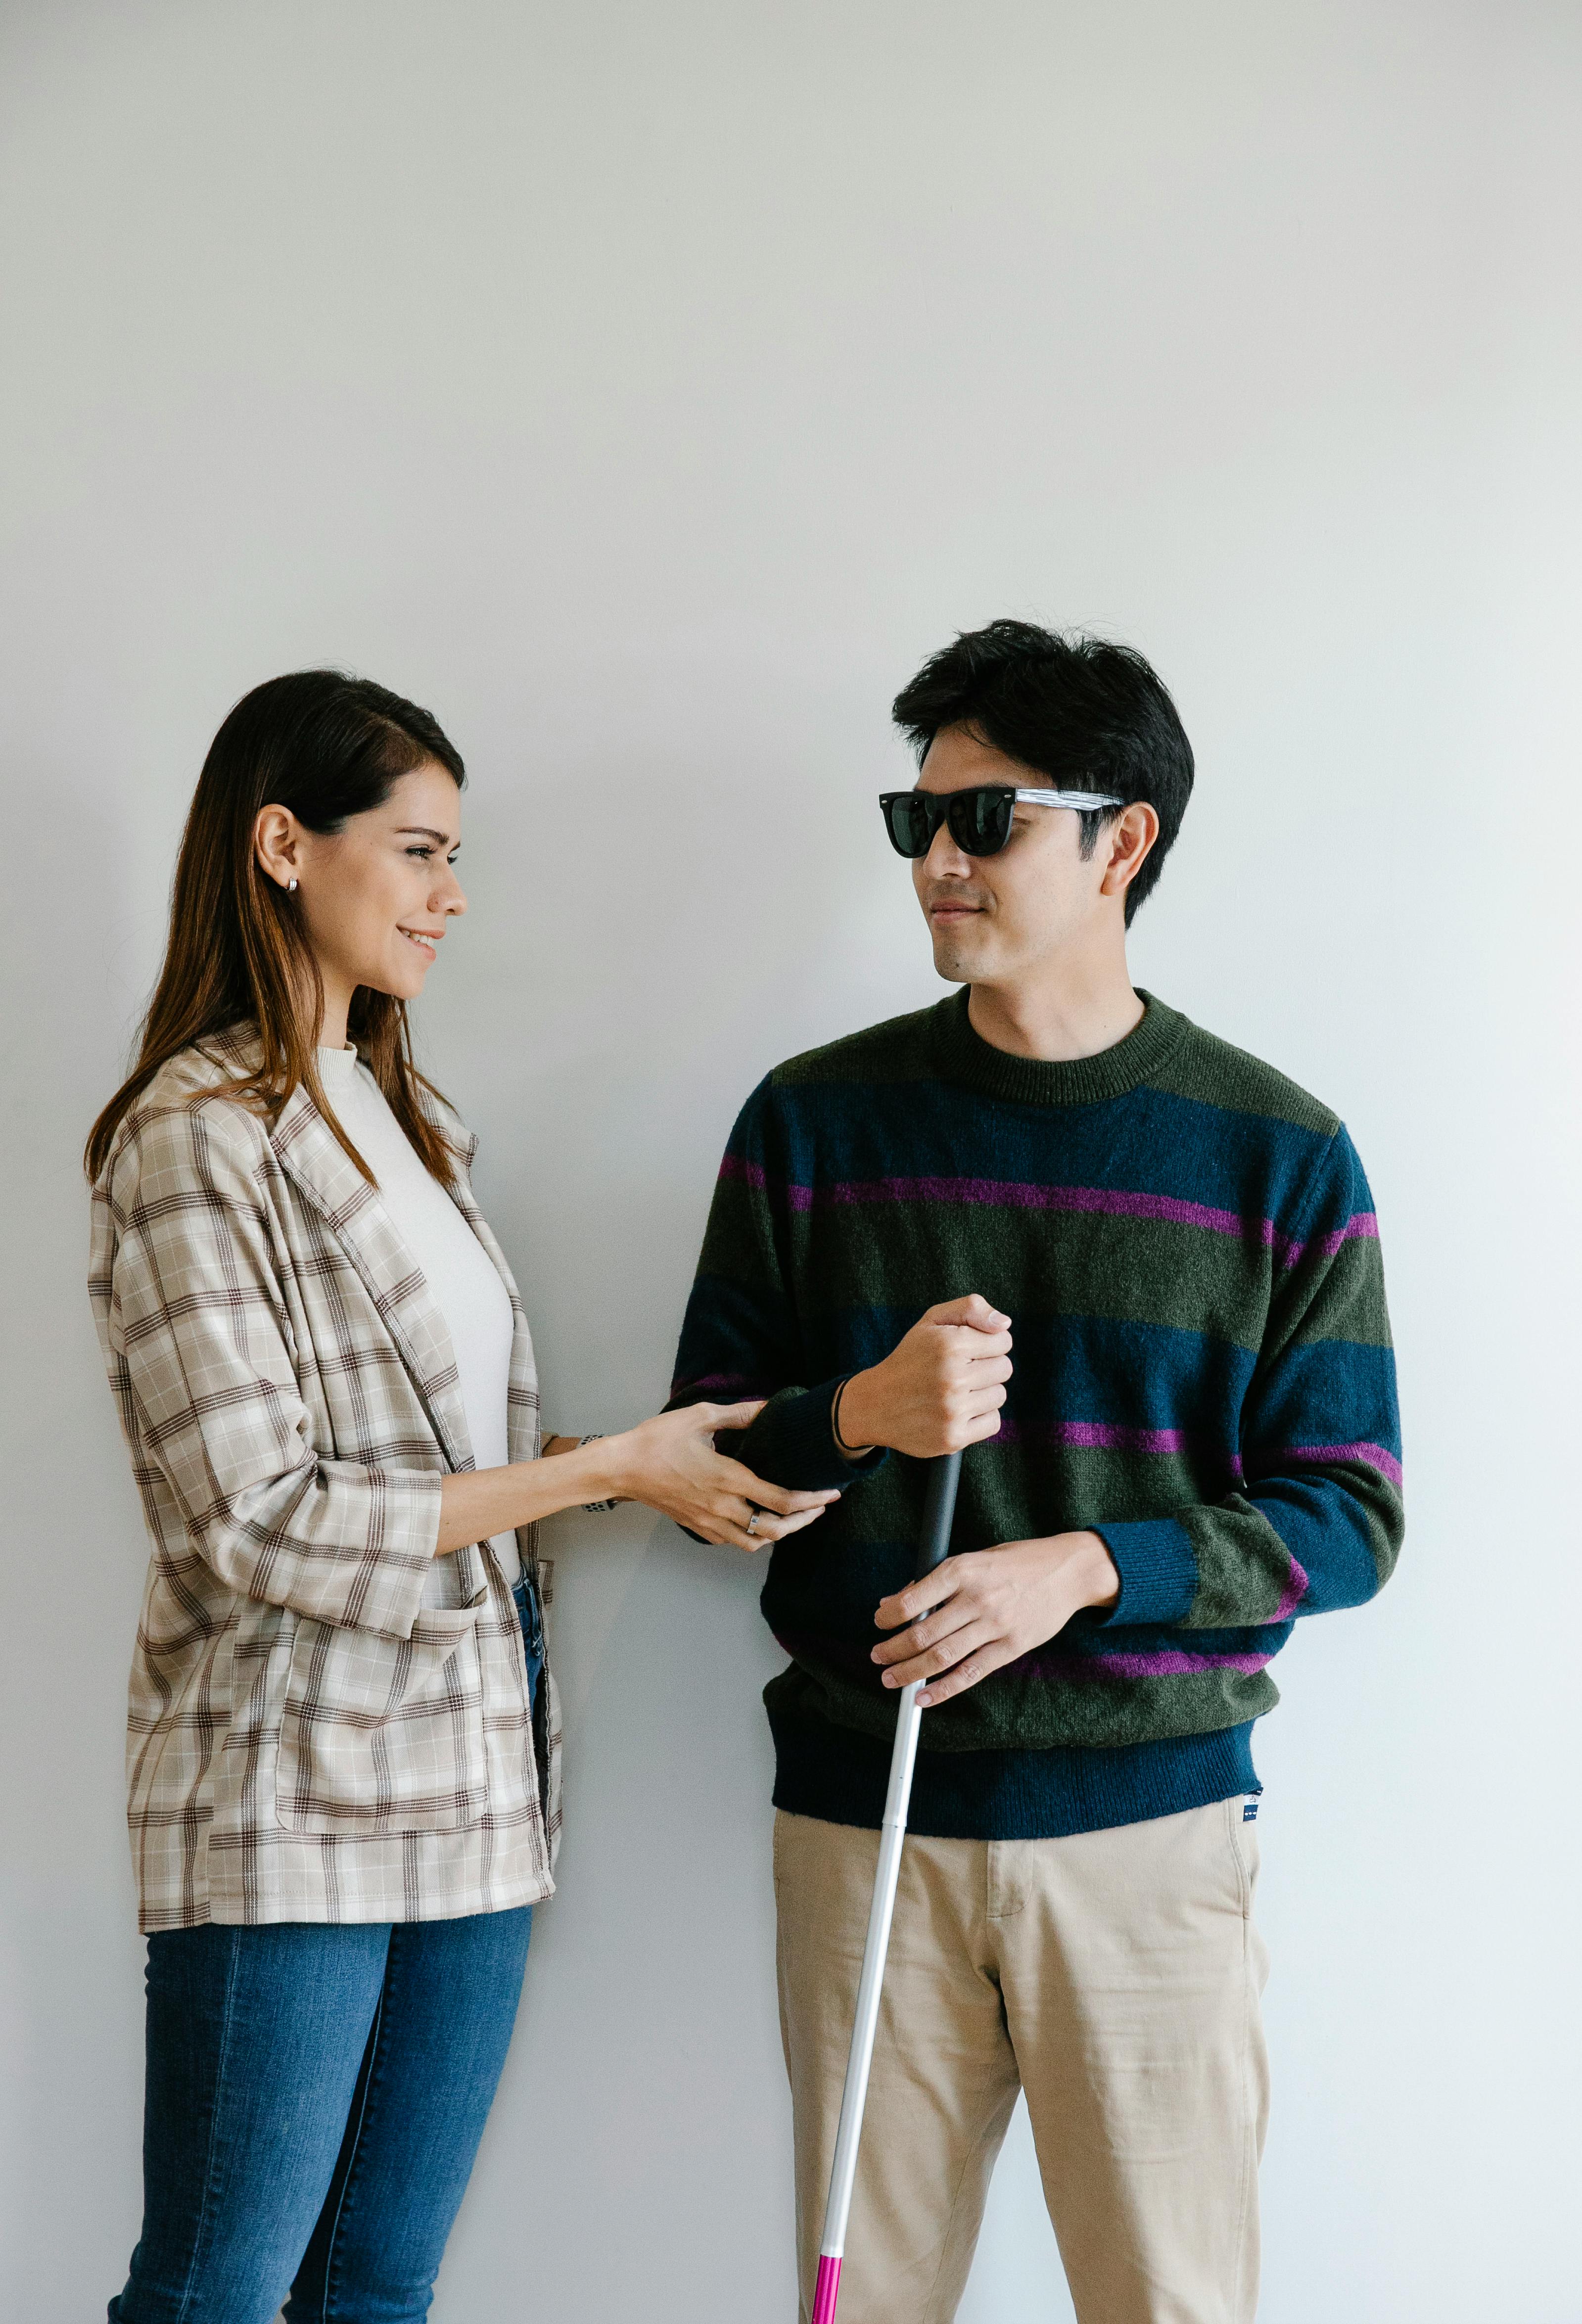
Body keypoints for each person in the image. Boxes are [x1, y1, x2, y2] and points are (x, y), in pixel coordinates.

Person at [668, 619, 1403, 2324]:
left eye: (983, 819)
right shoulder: (811, 1124)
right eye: (915, 819)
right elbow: (702, 1460)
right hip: (869, 1831)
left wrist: (1080, 1566)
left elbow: (1350, 1514)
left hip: (1145, 1837)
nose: (936, 859)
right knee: (867, 2305)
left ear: (1121, 838)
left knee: (1171, 2303)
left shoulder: (1275, 1150)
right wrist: (861, 1411)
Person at [85, 670, 837, 2324]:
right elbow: (259, 1516)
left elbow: (445, 1463)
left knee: (380, 2291)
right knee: (214, 2290)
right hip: (286, 1807)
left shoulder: (414, 1123)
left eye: (454, 855)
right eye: (419, 850)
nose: (453, 894)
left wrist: (664, 1477)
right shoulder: (191, 1138)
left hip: (479, 1799)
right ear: (283, 844)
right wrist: (610, 1463)